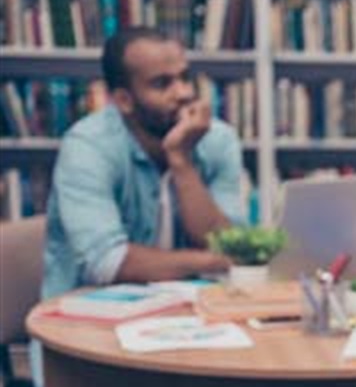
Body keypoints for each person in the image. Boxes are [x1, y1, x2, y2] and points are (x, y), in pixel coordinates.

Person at [42, 26, 242, 302]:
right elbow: (107, 262)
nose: (183, 93)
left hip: (187, 319)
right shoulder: (88, 146)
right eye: (162, 83)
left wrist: (181, 160)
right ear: (124, 100)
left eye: (185, 78)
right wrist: (209, 262)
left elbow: (226, 242)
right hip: (88, 323)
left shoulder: (217, 139)